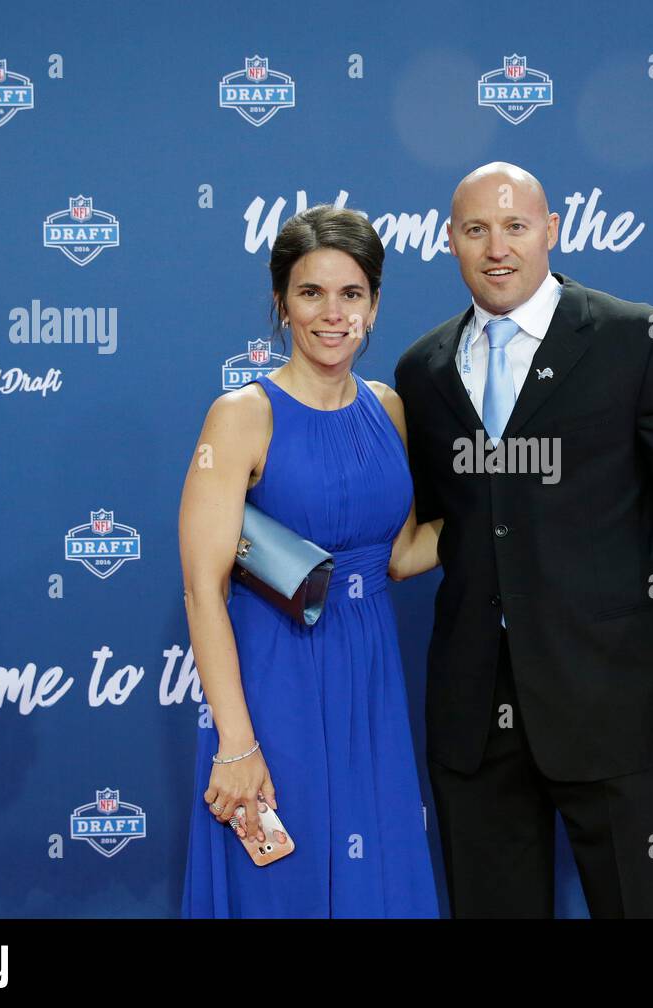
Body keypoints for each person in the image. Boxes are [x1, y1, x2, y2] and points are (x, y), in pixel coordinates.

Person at [393, 162, 653, 918]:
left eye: (516, 226)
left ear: (551, 231)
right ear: (448, 240)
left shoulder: (636, 340)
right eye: (476, 230)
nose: (498, 248)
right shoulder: (421, 370)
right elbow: (426, 525)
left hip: (613, 704)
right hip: (471, 716)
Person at [179, 204, 441, 918]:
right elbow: (204, 589)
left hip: (369, 669)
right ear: (282, 303)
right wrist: (237, 742)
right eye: (311, 293)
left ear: (375, 304)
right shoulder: (241, 414)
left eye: (351, 293)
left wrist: (510, 517)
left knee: (373, 875)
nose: (332, 314)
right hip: (275, 673)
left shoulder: (387, 408)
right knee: (283, 885)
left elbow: (401, 553)